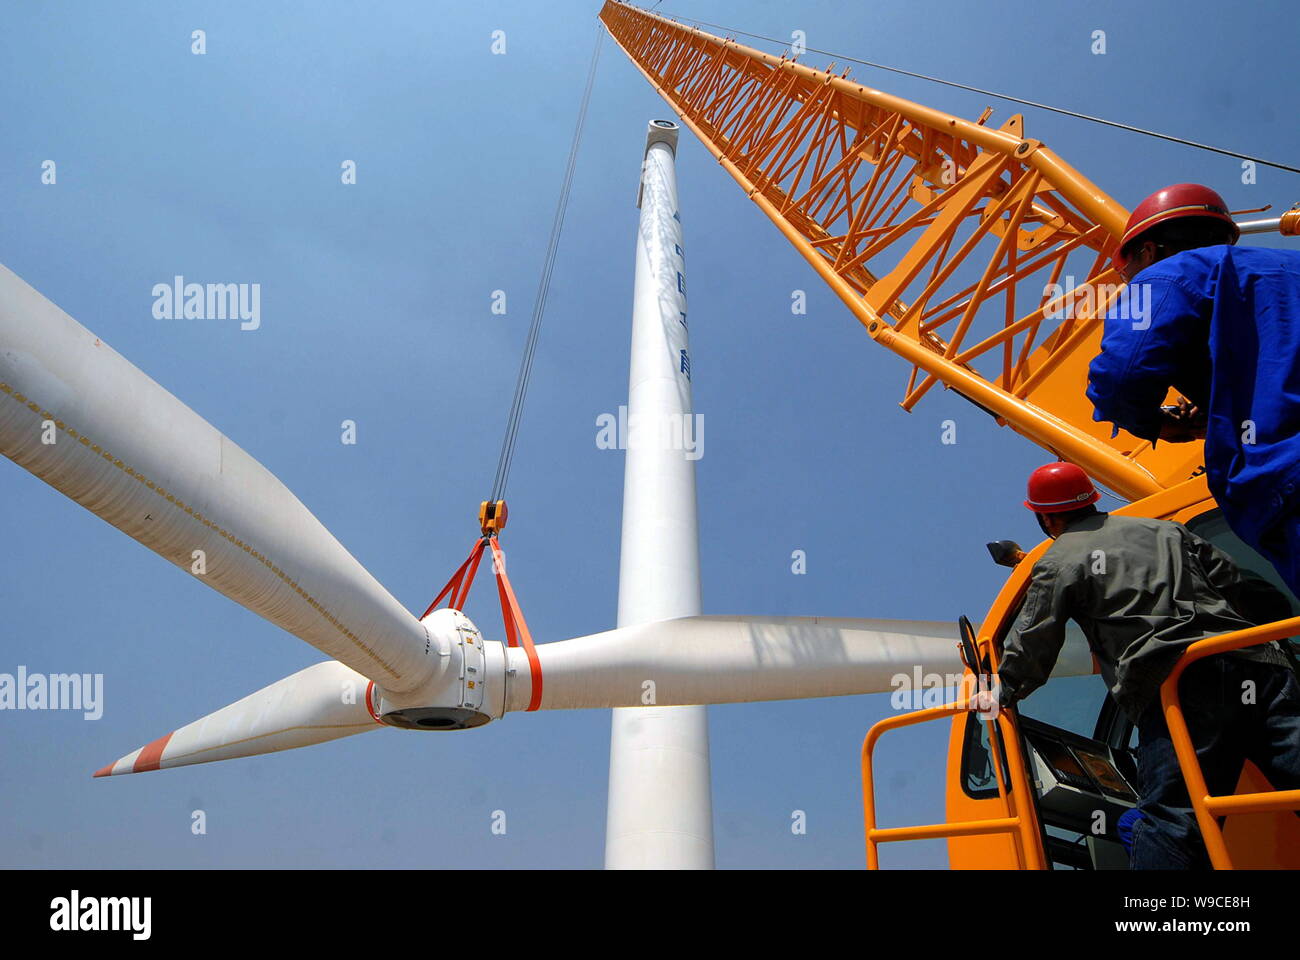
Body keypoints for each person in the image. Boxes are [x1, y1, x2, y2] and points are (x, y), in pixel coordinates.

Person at [973, 461, 1300, 869]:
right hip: (1257, 666)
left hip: (1180, 687)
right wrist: (1277, 627)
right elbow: (1243, 587)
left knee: (1172, 820)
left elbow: (1036, 637)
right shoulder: (1167, 532)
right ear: (1092, 498)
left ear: (1044, 516)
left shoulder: (1058, 561)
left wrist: (1002, 688)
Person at [1086, 183, 1300, 597]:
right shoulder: (1289, 268)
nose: (1131, 283)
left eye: (1129, 274)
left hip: (1285, 469)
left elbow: (1122, 376)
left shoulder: (1173, 273)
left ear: (1148, 251)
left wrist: (1161, 425)